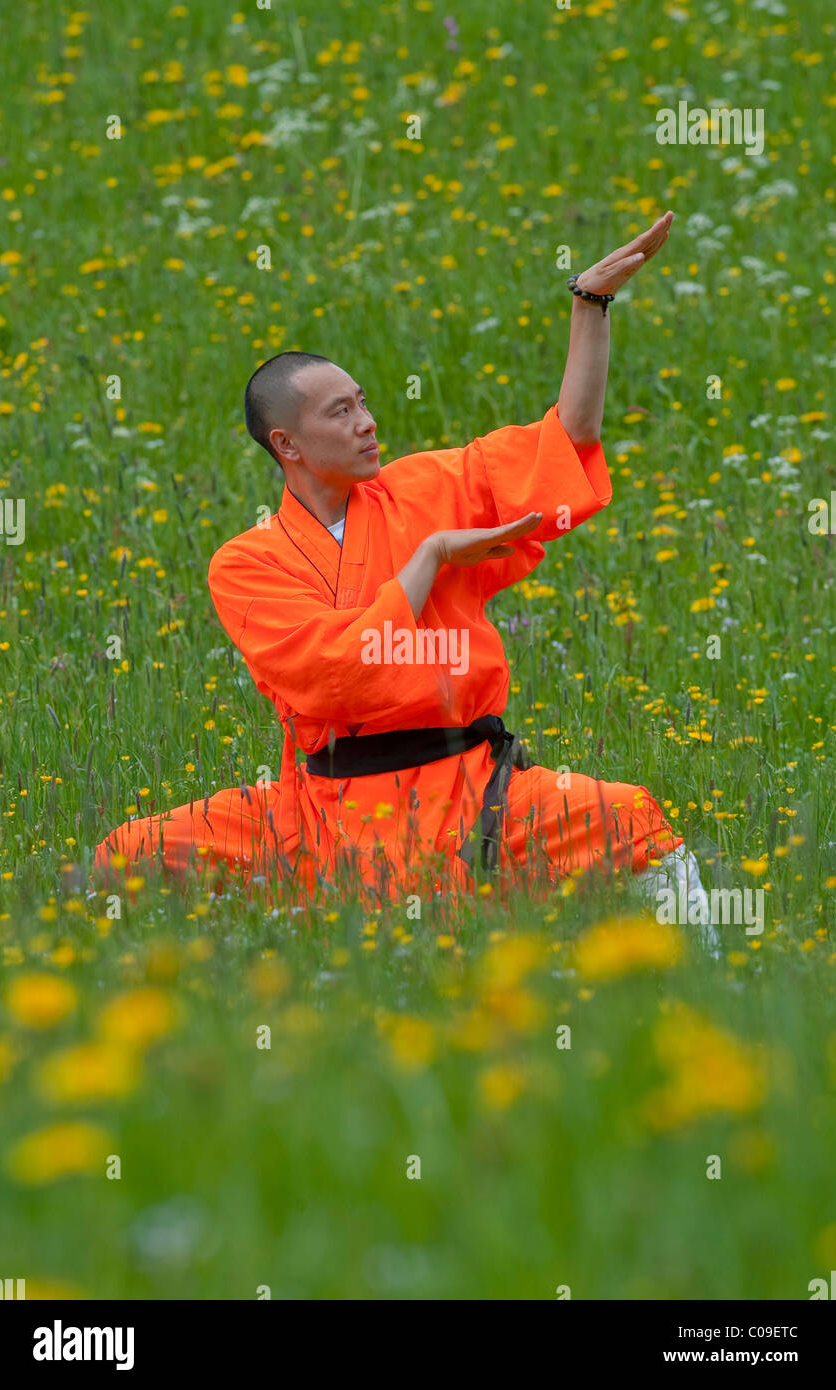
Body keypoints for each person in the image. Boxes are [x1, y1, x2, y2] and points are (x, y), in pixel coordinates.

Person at [93, 211, 715, 945]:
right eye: (341, 411)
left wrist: (590, 305)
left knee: (625, 816)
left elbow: (564, 442)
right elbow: (334, 677)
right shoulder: (247, 562)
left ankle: (709, 986)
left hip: (468, 783)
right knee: (123, 857)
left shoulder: (423, 489)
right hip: (320, 805)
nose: (366, 422)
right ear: (286, 443)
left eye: (363, 403)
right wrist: (430, 560)